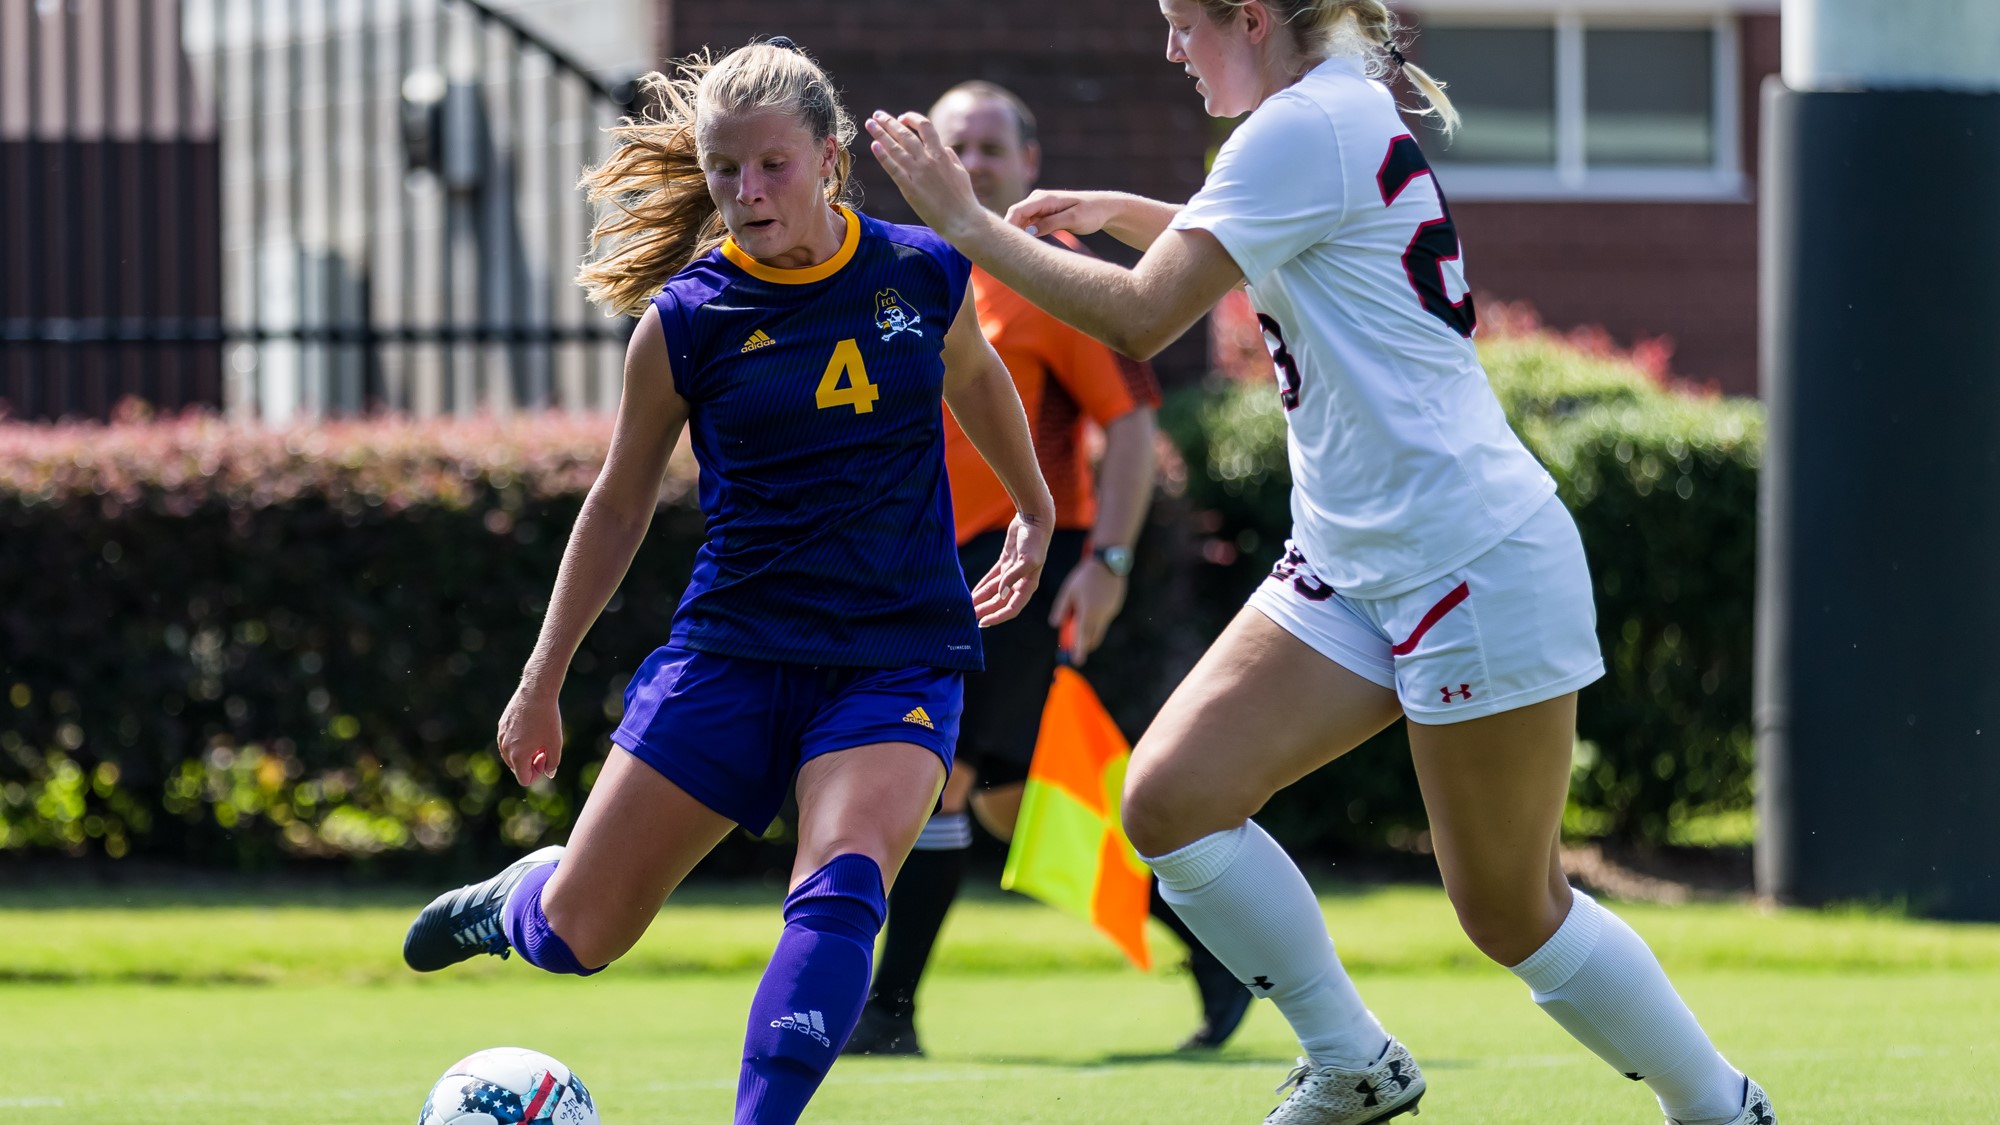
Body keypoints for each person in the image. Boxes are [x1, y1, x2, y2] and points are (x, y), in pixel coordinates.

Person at [864, 2, 1777, 1123]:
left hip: (1466, 556)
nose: (1167, 50)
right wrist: (1140, 212)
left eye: (1178, 24)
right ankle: (1352, 1060)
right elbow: (1292, 249)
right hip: (1353, 559)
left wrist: (961, 220)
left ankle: (1718, 1107)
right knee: (1167, 802)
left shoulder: (1296, 125)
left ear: (1247, 17)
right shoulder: (1322, 114)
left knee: (1508, 911)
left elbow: (1146, 318)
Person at [398, 38, 1055, 1125]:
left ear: (830, 160)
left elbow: (974, 378)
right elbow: (615, 504)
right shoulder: (684, 323)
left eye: (772, 167)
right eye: (723, 171)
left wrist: (1031, 511)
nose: (745, 193)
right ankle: (524, 898)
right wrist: (540, 675)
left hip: (894, 652)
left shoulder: (921, 268)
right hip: (734, 651)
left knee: (841, 881)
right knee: (581, 938)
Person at [844, 80, 1250, 1059]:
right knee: (1004, 798)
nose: (974, 163)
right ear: (917, 163)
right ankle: (1221, 952)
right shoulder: (910, 276)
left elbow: (1131, 420)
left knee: (939, 778)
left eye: (992, 147)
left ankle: (887, 1015)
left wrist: (1105, 562)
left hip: (1022, 563)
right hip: (917, 573)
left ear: (1029, 167)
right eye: (956, 146)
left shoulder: (1048, 275)